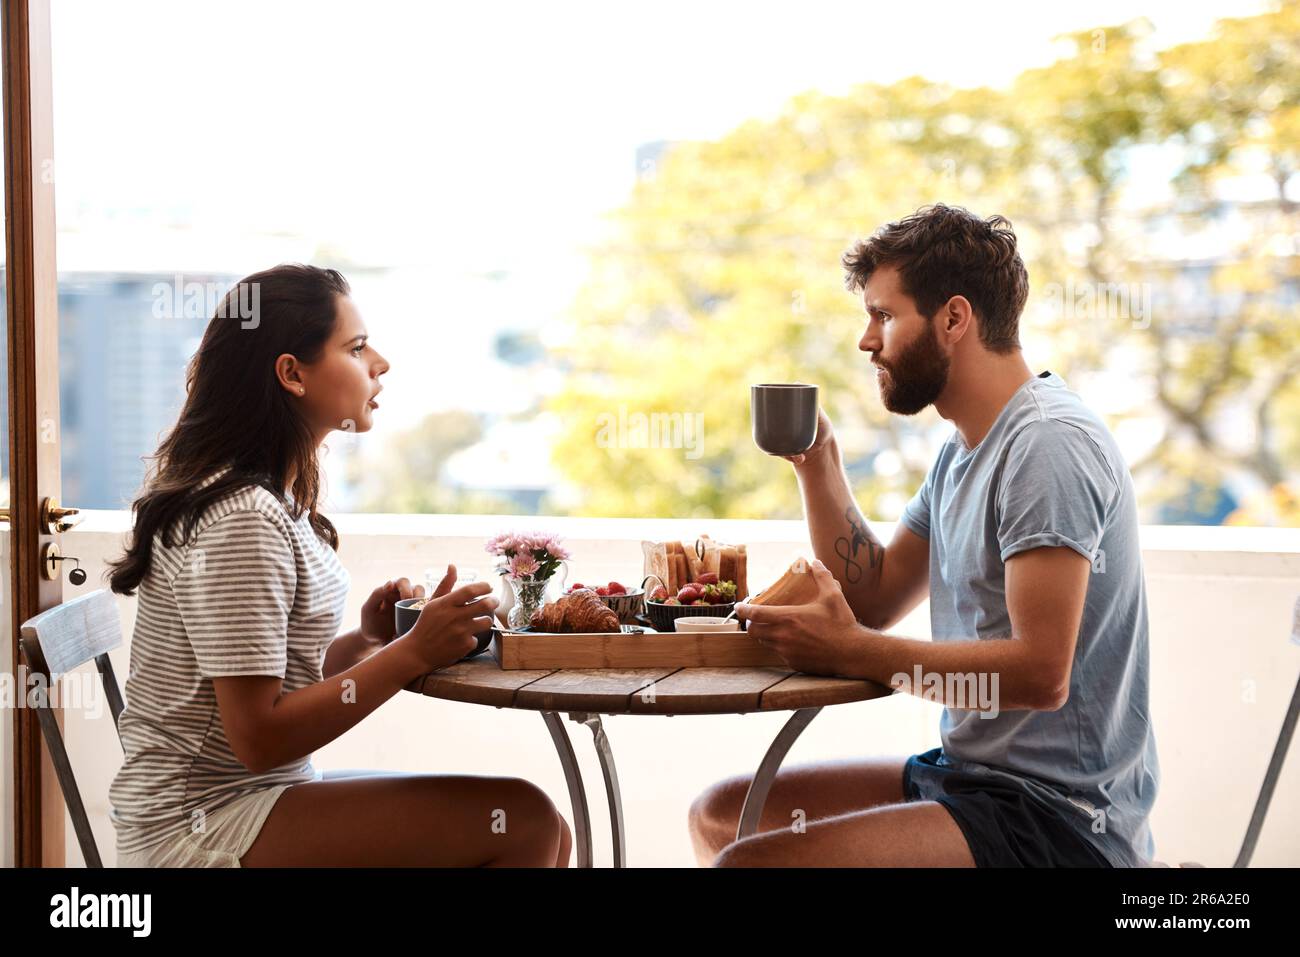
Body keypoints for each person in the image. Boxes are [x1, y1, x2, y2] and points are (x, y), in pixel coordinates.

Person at [689, 204, 1160, 868]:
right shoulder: (963, 451)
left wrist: (855, 652)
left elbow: (1040, 673)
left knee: (753, 863)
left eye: (883, 315)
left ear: (954, 318)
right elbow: (873, 597)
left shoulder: (1047, 443)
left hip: (1058, 818)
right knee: (721, 816)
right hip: (969, 777)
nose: (866, 340)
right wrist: (819, 458)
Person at [107, 263, 571, 867]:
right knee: (522, 821)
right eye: (355, 348)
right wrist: (411, 654)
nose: (379, 363)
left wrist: (368, 640)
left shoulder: (272, 499)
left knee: (546, 826)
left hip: (258, 799)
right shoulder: (241, 518)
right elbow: (259, 739)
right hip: (197, 830)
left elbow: (267, 685)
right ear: (291, 374)